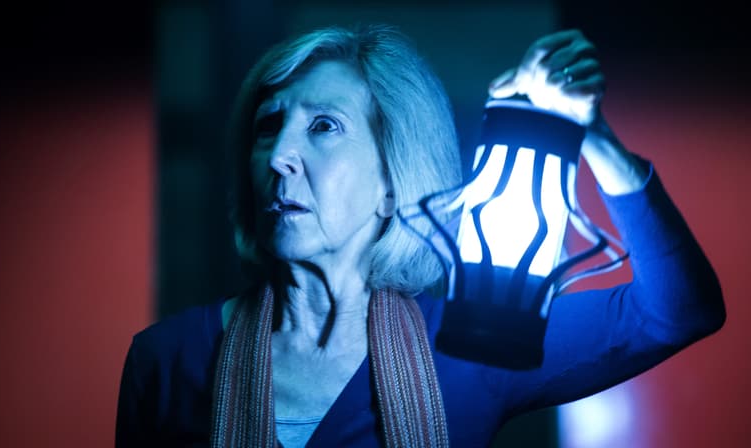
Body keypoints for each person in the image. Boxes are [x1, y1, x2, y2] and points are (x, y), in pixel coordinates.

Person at [115, 24, 725, 447]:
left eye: (323, 126)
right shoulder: (166, 361)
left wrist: (591, 133)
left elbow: (678, 312)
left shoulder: (471, 346)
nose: (279, 157)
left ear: (392, 182)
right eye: (268, 126)